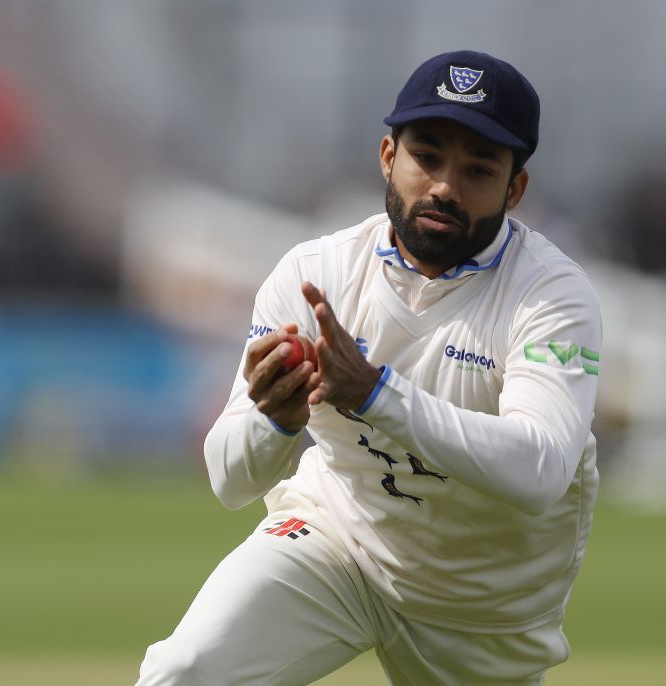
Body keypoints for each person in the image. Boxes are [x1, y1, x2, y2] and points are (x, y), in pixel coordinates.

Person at [137, 49, 602, 686]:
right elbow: (229, 480)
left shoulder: (553, 297)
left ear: (514, 189)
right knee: (185, 671)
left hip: (481, 609)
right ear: (389, 156)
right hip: (336, 542)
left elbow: (542, 468)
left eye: (477, 169)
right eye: (427, 156)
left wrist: (376, 393)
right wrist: (273, 422)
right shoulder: (315, 274)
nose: (444, 186)